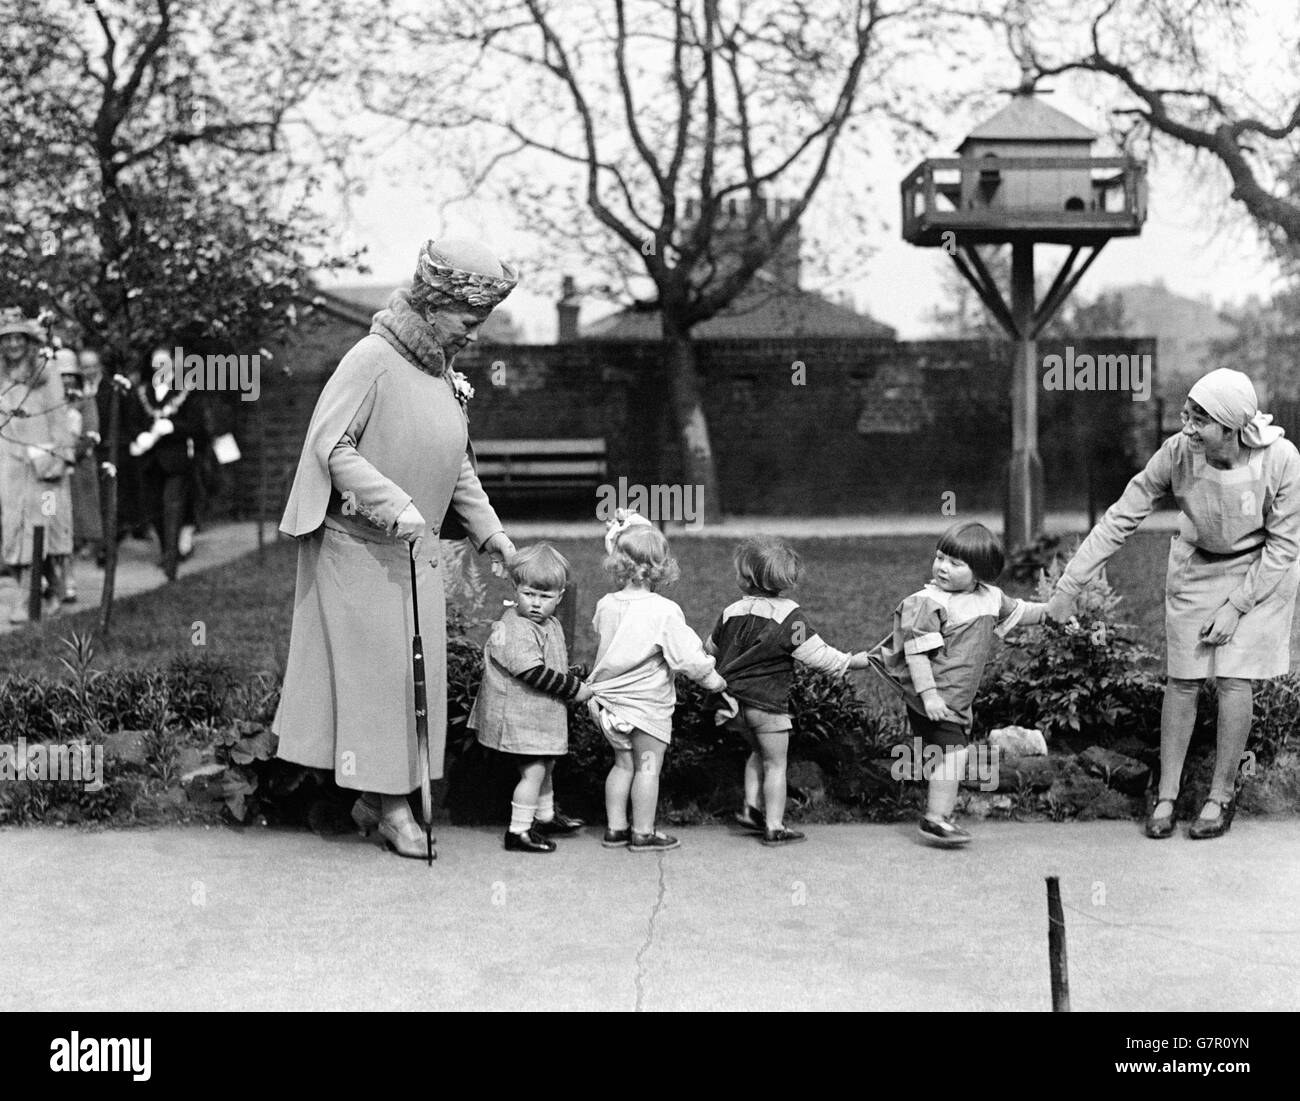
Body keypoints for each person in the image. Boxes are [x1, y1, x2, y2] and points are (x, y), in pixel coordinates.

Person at [274, 236, 518, 860]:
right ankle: (392, 809)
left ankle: (374, 799)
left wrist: (495, 537)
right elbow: (332, 448)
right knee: (383, 684)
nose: (474, 334)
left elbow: (456, 467)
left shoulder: (437, 371)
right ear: (435, 305)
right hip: (358, 552)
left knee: (418, 684)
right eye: (470, 318)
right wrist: (398, 505)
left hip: (416, 555)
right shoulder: (372, 358)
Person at [1046, 368, 1300, 840]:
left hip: (1260, 572)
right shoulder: (1178, 454)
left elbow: (1284, 548)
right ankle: (1166, 794)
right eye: (1186, 415)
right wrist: (1068, 587)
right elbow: (1121, 516)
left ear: (1231, 427)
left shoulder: (1281, 459)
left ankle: (1220, 796)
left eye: (1200, 420)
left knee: (1232, 677)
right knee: (1182, 679)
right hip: (1197, 565)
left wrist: (1236, 607)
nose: (1187, 428)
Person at [868, 521, 1047, 847]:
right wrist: (930, 696)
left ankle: (941, 814)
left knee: (946, 756)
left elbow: (1022, 612)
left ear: (980, 571)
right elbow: (917, 655)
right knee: (954, 755)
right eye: (940, 558)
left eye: (955, 563)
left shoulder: (990, 597)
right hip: (933, 696)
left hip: (956, 698)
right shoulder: (928, 602)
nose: (943, 567)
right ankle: (935, 820)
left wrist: (1052, 612)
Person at [705, 537, 873, 846]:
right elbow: (819, 656)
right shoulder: (789, 616)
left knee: (756, 752)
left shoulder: (731, 612)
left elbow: (709, 649)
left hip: (732, 703)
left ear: (746, 577)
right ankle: (774, 825)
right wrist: (852, 661)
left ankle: (751, 808)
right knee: (776, 764)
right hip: (767, 703)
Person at [587, 510, 727, 852]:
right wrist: (716, 683)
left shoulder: (606, 605)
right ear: (660, 567)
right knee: (647, 769)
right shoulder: (663, 611)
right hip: (646, 709)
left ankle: (616, 829)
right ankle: (643, 832)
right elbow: (688, 658)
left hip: (607, 706)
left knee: (622, 766)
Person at [468, 543, 594, 853]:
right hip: (518, 715)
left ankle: (546, 815)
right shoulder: (515, 627)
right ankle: (518, 831)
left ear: (560, 597)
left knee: (545, 763)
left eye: (545, 596)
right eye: (529, 594)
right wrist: (575, 688)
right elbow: (532, 672)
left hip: (537, 715)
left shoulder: (548, 623)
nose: (536, 603)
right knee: (534, 769)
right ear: (515, 588)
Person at [0, 309, 77, 623]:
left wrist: (59, 455)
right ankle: (38, 591)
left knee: (43, 525)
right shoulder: (2, 376)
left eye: (19, 338)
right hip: (10, 464)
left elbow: (59, 417)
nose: (14, 344)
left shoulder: (46, 371)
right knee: (14, 528)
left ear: (29, 341)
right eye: (7, 339)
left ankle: (37, 594)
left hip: (44, 464)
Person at [130, 346, 206, 580]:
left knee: (173, 507)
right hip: (150, 462)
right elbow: (133, 422)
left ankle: (171, 561)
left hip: (176, 461)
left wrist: (174, 427)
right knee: (154, 510)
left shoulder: (187, 391)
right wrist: (140, 435)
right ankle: (166, 550)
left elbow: (198, 426)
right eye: (156, 363)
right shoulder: (142, 393)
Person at [58, 350, 103, 601]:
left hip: (75, 473)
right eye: (61, 376)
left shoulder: (85, 401)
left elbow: (90, 434)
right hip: (51, 477)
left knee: (72, 529)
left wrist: (68, 454)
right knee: (50, 522)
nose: (66, 381)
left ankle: (68, 580)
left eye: (70, 376)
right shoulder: (48, 401)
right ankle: (49, 578)